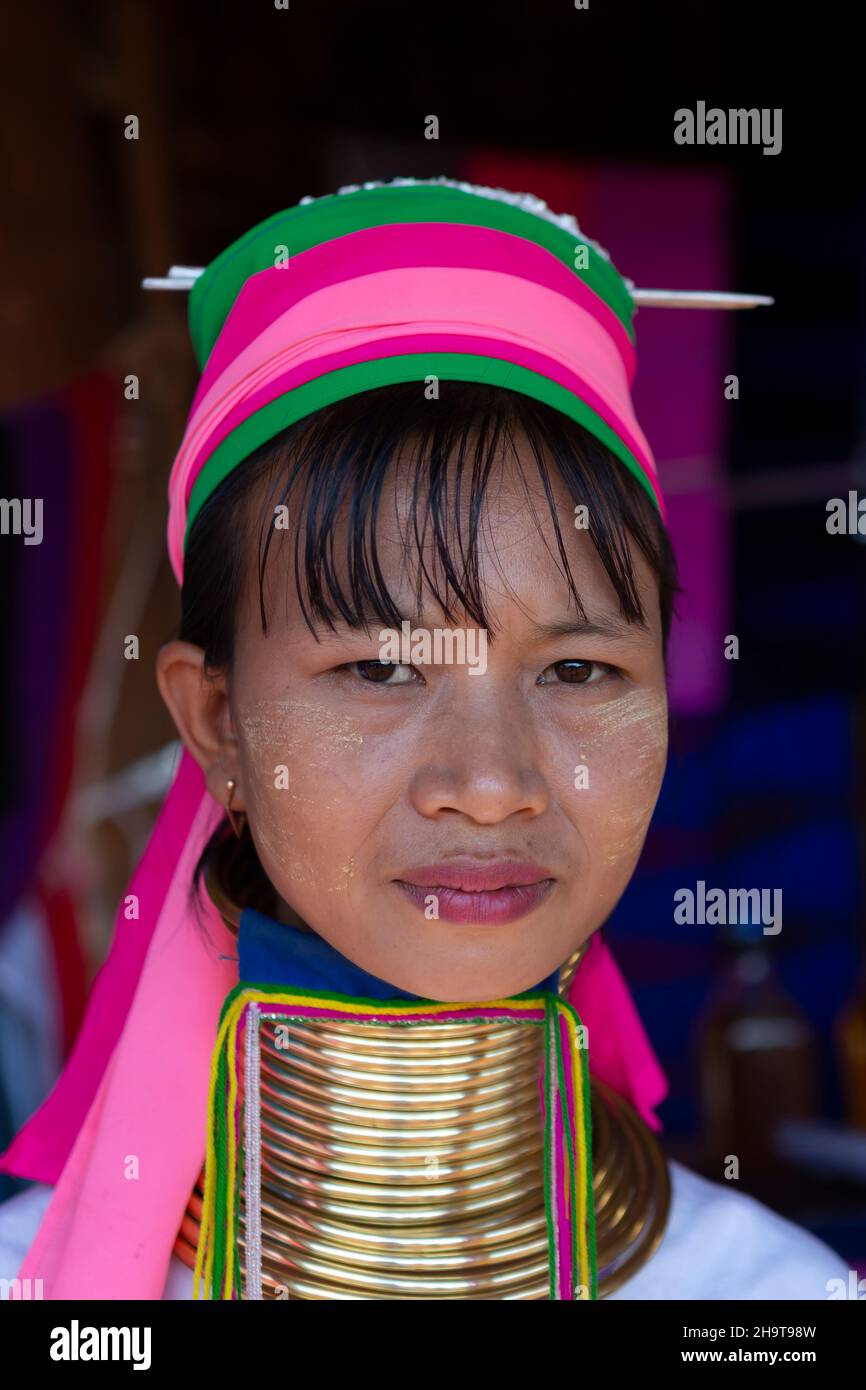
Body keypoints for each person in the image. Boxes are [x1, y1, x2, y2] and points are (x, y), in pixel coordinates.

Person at [0, 178, 849, 1299]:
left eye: (577, 669)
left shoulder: (772, 1299)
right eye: (379, 669)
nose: (490, 785)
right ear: (218, 724)